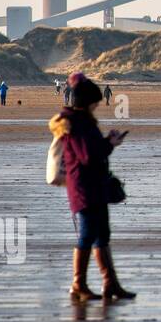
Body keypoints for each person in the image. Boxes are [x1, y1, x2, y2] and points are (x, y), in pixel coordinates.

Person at [50, 72, 134, 302]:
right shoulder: (75, 125)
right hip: (83, 189)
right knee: (87, 235)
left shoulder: (85, 122)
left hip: (95, 187)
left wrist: (107, 142)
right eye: (95, 101)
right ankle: (78, 284)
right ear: (86, 102)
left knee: (102, 234)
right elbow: (87, 156)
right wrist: (110, 144)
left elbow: (92, 151)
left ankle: (110, 284)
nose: (97, 105)